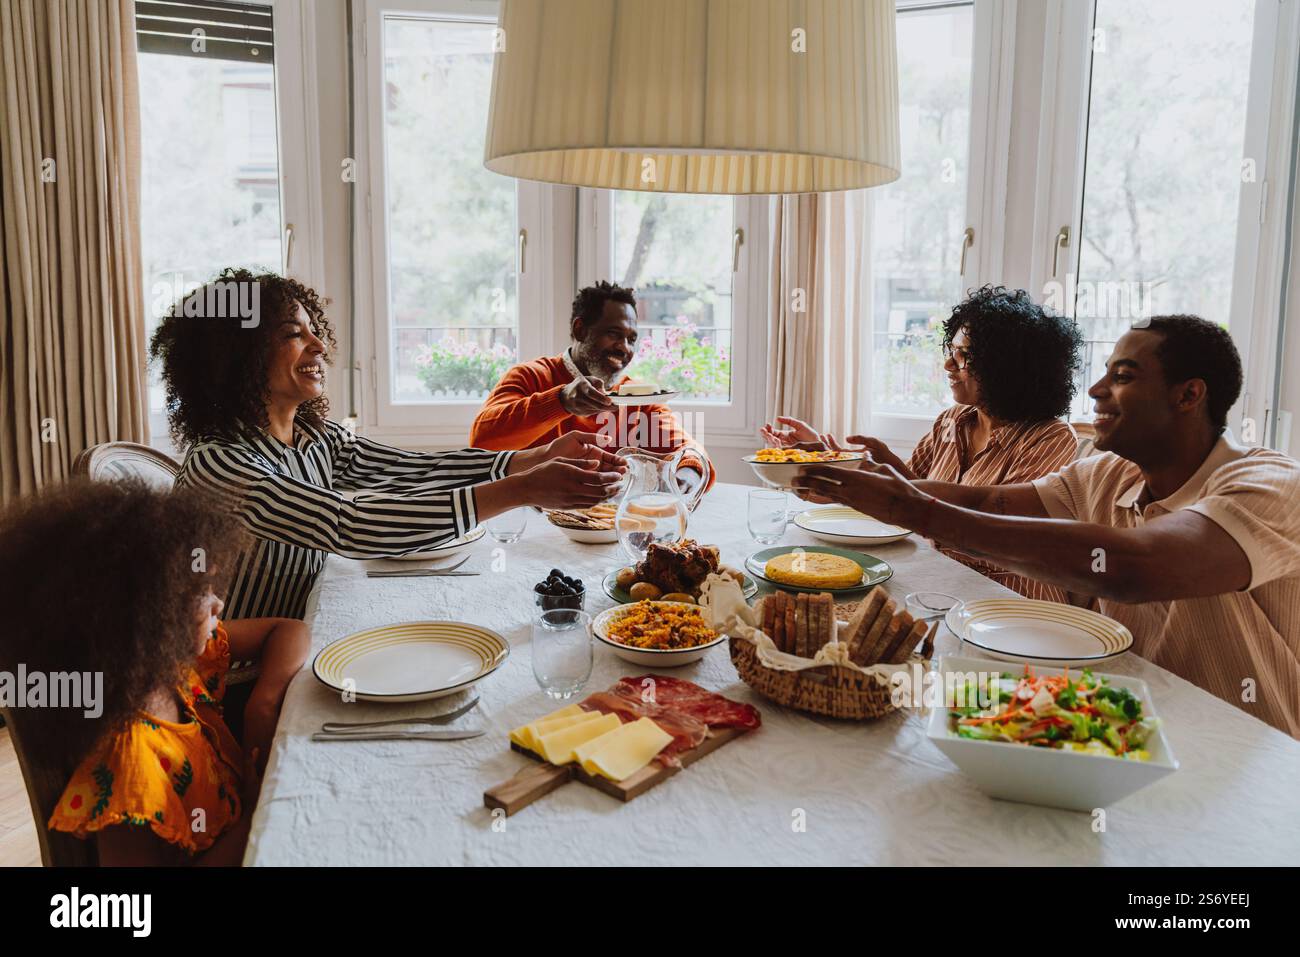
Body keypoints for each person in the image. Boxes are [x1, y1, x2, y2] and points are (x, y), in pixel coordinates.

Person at [795, 315, 1300, 738]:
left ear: (1189, 395)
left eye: (1122, 376)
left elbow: (1135, 568)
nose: (1096, 390)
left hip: (1249, 747)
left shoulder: (1270, 485)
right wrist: (853, 477)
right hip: (1130, 725)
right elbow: (989, 503)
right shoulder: (1110, 471)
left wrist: (914, 510)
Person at [150, 268, 625, 624]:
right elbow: (350, 525)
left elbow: (412, 468)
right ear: (238, 357)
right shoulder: (221, 465)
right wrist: (521, 489)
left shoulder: (314, 437)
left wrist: (536, 457)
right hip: (230, 672)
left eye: (315, 330)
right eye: (294, 334)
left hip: (302, 626)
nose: (320, 345)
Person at [0, 479, 309, 865]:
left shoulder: (172, 666)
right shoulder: (130, 768)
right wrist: (253, 815)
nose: (220, 602)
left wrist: (262, 703)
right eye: (202, 592)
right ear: (146, 615)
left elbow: (290, 629)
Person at [766, 286, 1082, 602]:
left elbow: (998, 534)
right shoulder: (950, 421)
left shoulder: (1050, 438)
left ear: (1006, 366)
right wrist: (833, 464)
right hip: (944, 581)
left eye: (963, 356)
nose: (948, 365)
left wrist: (867, 472)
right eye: (950, 350)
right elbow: (907, 499)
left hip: (1012, 600)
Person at [470, 280, 714, 498]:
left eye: (631, 339)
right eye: (613, 334)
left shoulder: (638, 397)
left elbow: (689, 451)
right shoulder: (531, 376)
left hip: (608, 527)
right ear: (580, 330)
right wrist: (561, 401)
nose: (624, 348)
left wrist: (688, 477)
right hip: (533, 522)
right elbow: (483, 440)